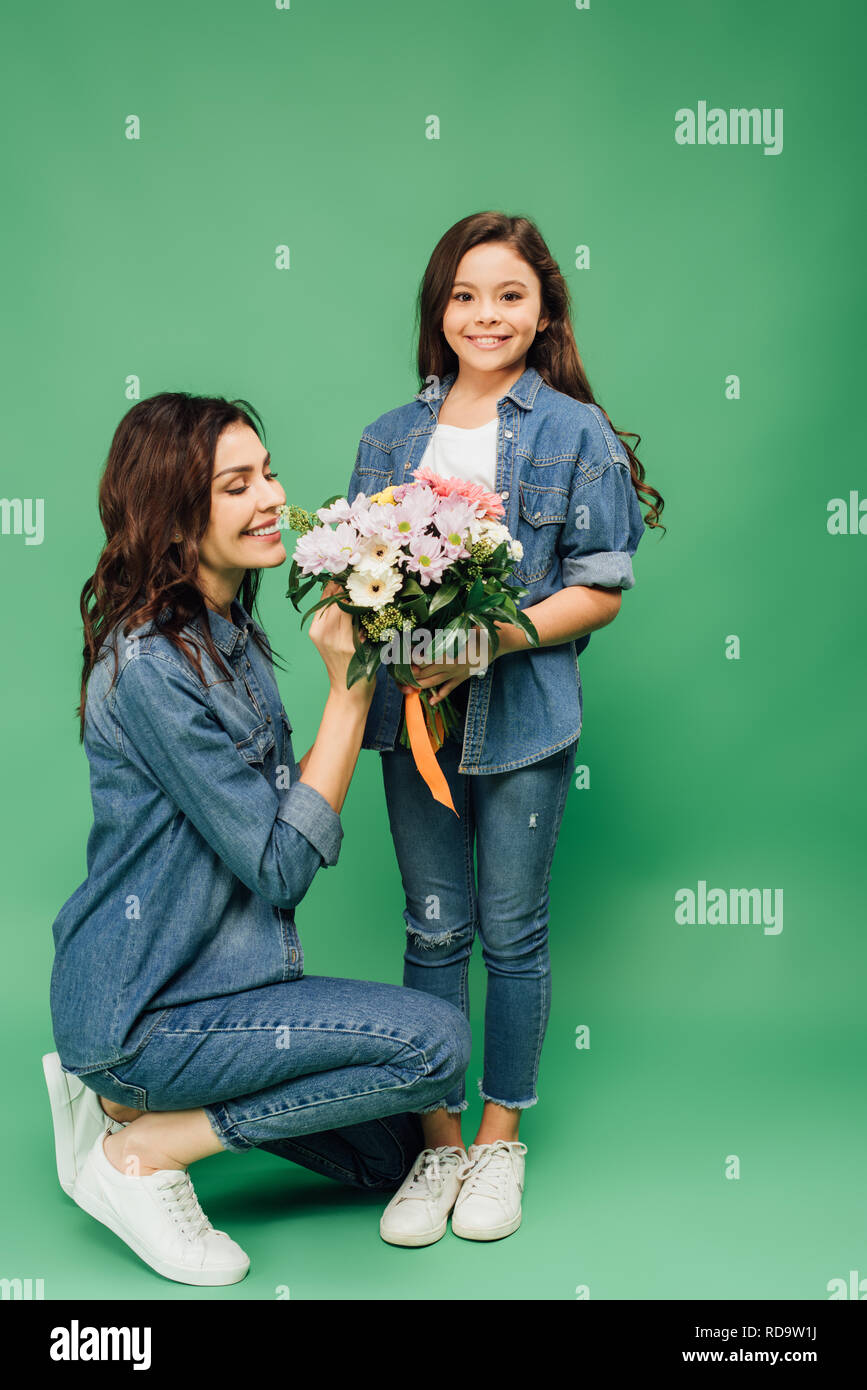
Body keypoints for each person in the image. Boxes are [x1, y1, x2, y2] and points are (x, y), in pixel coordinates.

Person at [43, 392, 472, 1285]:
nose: (272, 496)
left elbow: (277, 807)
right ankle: (146, 1144)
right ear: (172, 515)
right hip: (143, 1012)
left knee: (384, 1161)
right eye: (236, 485)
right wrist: (352, 692)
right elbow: (279, 866)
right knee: (435, 1046)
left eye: (267, 472)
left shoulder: (228, 622)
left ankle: (129, 1115)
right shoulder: (152, 666)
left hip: (225, 990)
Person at [346, 211, 665, 1246]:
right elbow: (356, 575)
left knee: (513, 932)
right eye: (465, 296)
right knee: (433, 929)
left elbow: (602, 588)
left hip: (526, 721)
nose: (487, 315)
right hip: (410, 723)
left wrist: (487, 637)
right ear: (439, 310)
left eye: (510, 295)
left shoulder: (578, 433)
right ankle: (436, 1140)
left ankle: (496, 1143)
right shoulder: (388, 437)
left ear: (543, 308)